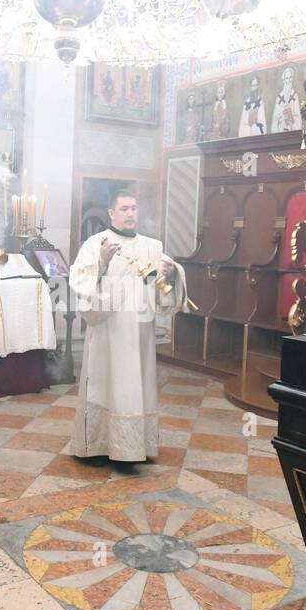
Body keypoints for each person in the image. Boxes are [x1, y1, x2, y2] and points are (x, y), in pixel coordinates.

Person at [70, 190, 187, 463]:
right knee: (104, 382)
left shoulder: (152, 246)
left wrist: (170, 275)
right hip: (108, 332)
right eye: (124, 209)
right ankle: (100, 444)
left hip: (140, 332)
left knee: (137, 384)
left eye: (134, 208)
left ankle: (135, 447)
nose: (131, 213)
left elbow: (162, 292)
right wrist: (102, 261)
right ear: (112, 213)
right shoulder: (95, 243)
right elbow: (80, 282)